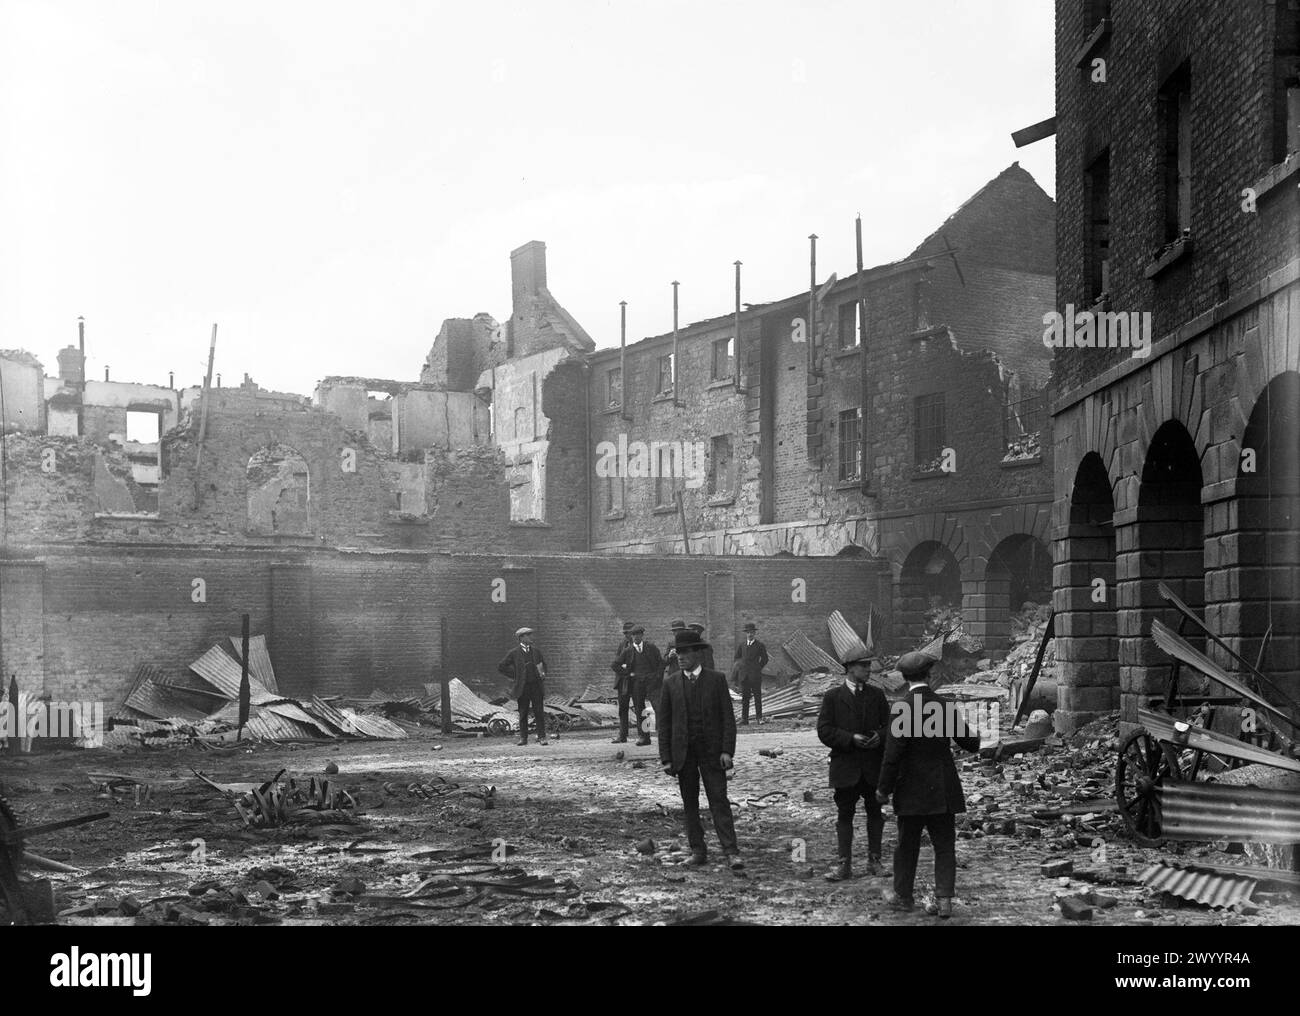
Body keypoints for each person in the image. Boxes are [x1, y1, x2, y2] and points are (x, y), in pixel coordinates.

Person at [875, 651, 980, 919]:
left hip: (910, 790)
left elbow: (892, 755)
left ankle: (903, 897)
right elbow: (970, 743)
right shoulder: (944, 706)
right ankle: (944, 900)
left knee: (906, 846)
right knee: (944, 845)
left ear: (904, 678)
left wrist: (883, 789)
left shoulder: (901, 709)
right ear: (930, 674)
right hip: (942, 789)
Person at [658, 628, 743, 870]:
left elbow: (728, 719)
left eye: (685, 652)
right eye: (678, 653)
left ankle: (731, 851)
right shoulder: (671, 683)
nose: (680, 657)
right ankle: (698, 850)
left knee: (719, 800)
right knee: (690, 804)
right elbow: (664, 724)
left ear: (698, 653)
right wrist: (666, 758)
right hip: (683, 755)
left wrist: (727, 751)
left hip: (712, 753)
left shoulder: (716, 680)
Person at [816, 649, 889, 881]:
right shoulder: (833, 697)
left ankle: (875, 861)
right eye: (863, 666)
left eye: (869, 665)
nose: (868, 670)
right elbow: (824, 730)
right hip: (845, 766)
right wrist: (850, 738)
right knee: (844, 815)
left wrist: (879, 736)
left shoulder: (877, 695)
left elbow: (890, 727)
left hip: (872, 766)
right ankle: (844, 865)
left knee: (875, 813)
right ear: (849, 668)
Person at [612, 625, 664, 746]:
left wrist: (657, 676)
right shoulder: (628, 651)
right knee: (640, 710)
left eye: (638, 635)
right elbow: (615, 665)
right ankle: (644, 737)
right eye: (634, 635)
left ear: (642, 635)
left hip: (652, 683)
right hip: (637, 684)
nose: (636, 637)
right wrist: (628, 673)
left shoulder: (651, 647)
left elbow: (660, 663)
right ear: (632, 636)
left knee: (658, 707)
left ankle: (663, 735)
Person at [497, 627, 548, 747]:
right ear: (521, 638)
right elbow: (501, 667)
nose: (531, 637)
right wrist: (516, 675)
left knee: (539, 712)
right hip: (522, 688)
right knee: (523, 713)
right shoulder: (514, 653)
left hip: (536, 686)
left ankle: (542, 737)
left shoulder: (536, 652)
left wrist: (542, 673)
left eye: (531, 635)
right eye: (528, 635)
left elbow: (543, 665)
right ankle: (523, 738)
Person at [734, 622, 769, 725]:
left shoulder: (760, 645)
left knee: (757, 697)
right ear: (746, 633)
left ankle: (759, 718)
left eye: (752, 632)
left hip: (755, 676)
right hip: (744, 676)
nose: (750, 634)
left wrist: (757, 668)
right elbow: (737, 658)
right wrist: (741, 668)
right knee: (745, 698)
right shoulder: (742, 645)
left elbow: (765, 659)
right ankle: (744, 719)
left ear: (755, 633)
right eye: (748, 632)